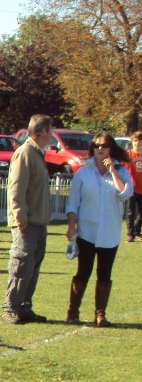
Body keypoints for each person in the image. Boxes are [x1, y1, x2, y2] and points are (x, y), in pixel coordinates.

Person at [65, 133, 134, 327]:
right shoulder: (83, 173)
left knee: (104, 273)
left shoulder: (121, 171)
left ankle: (100, 314)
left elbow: (125, 193)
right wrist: (71, 226)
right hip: (87, 231)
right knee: (83, 272)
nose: (100, 149)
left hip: (110, 232)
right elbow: (73, 203)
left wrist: (113, 171)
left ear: (111, 149)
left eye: (104, 146)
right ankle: (73, 312)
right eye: (96, 146)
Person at [1, 114, 53, 325]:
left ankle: (24, 307)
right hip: (27, 222)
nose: (52, 135)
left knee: (32, 267)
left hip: (39, 222)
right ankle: (10, 307)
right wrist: (21, 219)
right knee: (21, 264)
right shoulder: (24, 153)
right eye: (50, 130)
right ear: (40, 132)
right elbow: (16, 189)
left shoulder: (37, 153)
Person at [125, 131, 142, 242]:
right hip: (131, 187)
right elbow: (122, 168)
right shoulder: (128, 154)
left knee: (141, 213)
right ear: (132, 141)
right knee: (130, 211)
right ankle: (130, 234)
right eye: (135, 140)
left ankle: (137, 230)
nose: (137, 143)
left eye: (139, 140)